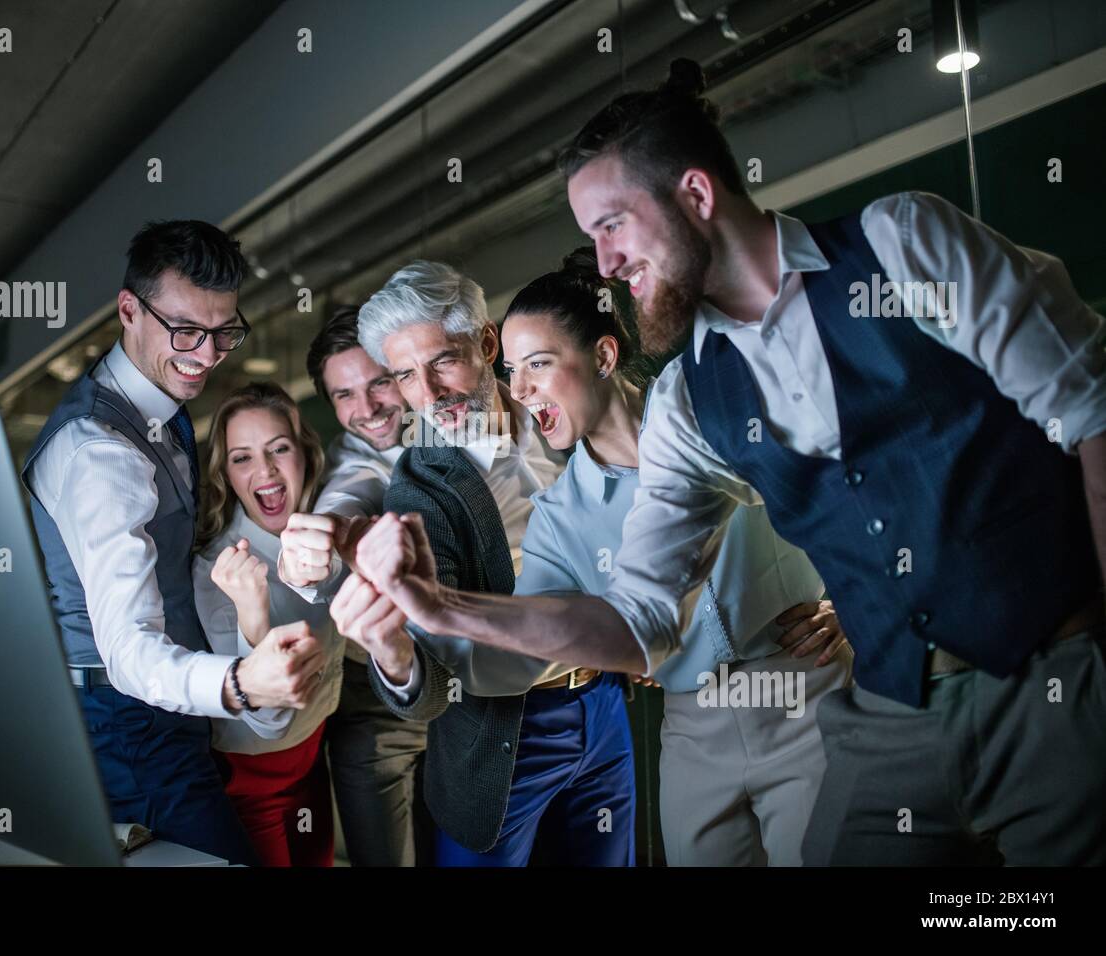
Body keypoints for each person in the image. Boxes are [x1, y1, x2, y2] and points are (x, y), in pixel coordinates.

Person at [340, 58, 1106, 866]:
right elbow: (639, 621)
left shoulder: (902, 243)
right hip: (891, 715)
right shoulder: (688, 403)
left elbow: (1090, 408)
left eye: (611, 227)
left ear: (696, 197)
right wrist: (439, 607)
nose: (602, 264)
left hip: (1054, 679)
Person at [502, 248, 850, 865]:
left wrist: (854, 605)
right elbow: (527, 641)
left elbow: (842, 481)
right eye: (510, 370)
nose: (518, 388)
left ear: (604, 356)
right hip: (690, 728)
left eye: (537, 364)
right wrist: (427, 611)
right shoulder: (559, 516)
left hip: (805, 690)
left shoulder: (710, 401)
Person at [22, 220, 322, 865]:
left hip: (171, 714)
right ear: (129, 310)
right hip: (129, 717)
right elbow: (128, 649)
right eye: (187, 330)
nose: (208, 354)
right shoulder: (101, 453)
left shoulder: (165, 408)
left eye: (223, 332)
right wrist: (244, 681)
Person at [336, 260, 650, 868]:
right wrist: (394, 656)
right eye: (404, 376)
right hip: (500, 737)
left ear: (486, 342)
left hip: (602, 703)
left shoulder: (567, 413)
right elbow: (436, 672)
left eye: (441, 363)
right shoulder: (420, 490)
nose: (427, 396)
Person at [274, 307, 430, 867]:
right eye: (343, 396)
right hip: (373, 702)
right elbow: (349, 494)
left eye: (378, 383)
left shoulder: (461, 436)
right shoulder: (350, 466)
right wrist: (320, 543)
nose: (365, 410)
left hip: (466, 692)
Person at [193, 383, 344, 867]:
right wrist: (253, 613)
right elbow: (267, 719)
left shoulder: (331, 525)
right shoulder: (218, 570)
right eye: (242, 458)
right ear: (226, 475)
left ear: (304, 452)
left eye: (279, 448)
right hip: (250, 779)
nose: (265, 471)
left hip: (311, 759)